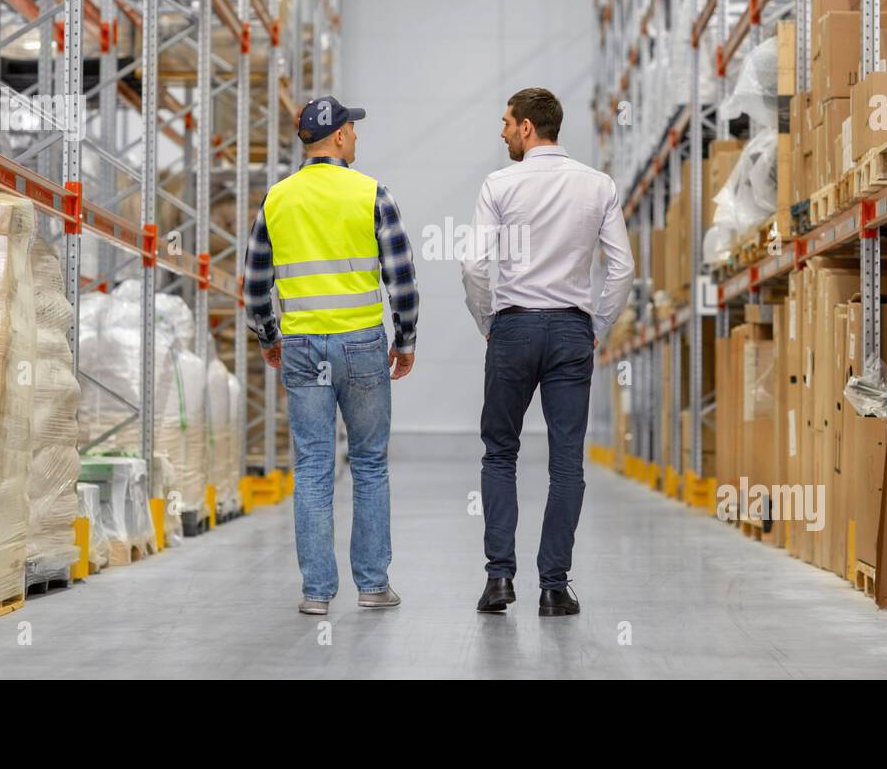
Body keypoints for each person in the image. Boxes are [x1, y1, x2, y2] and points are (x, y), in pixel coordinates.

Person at [460, 87, 634, 617]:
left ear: (528, 129)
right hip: (570, 333)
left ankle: (498, 580)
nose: (503, 132)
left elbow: (472, 265)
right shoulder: (598, 185)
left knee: (500, 453)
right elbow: (622, 268)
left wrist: (490, 320)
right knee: (566, 463)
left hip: (513, 329)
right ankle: (554, 587)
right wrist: (595, 324)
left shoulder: (500, 183)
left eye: (507, 123)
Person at [244, 95, 418, 616]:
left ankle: (317, 593)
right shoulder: (371, 194)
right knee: (368, 464)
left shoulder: (277, 199)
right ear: (339, 136)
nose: (357, 137)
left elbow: (255, 284)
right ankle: (372, 585)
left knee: (315, 467)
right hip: (363, 344)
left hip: (301, 346)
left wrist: (268, 336)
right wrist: (404, 339)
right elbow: (402, 277)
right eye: (353, 130)